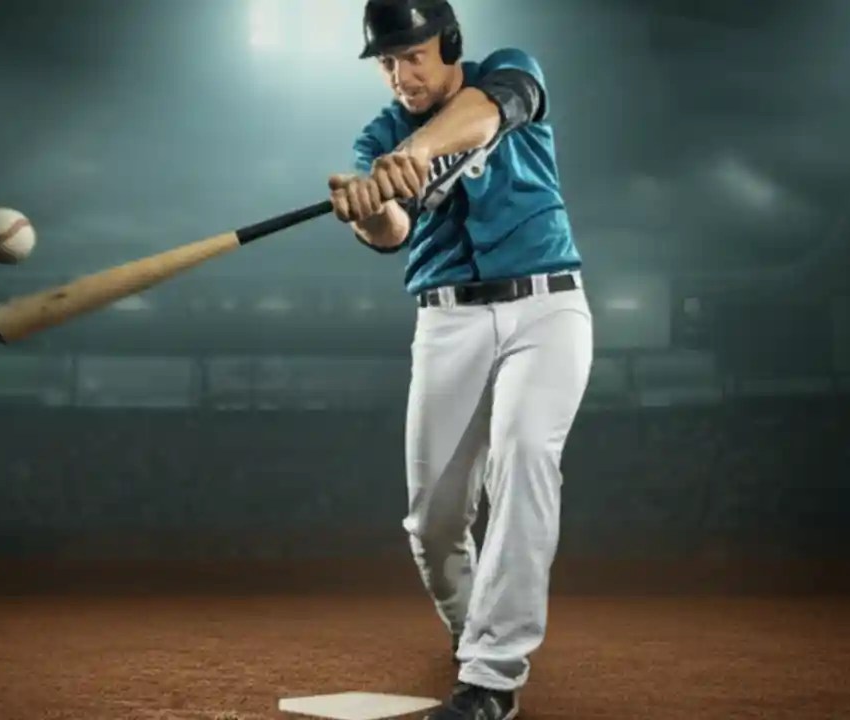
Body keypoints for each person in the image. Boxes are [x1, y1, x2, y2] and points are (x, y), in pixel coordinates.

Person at [327, 1, 593, 718]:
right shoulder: (379, 135)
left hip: (547, 306)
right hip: (447, 321)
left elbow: (488, 113)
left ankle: (491, 680)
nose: (399, 74)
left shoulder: (508, 70)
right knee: (435, 521)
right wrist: (367, 206)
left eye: (412, 54)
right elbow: (390, 234)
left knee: (524, 454)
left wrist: (415, 158)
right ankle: (473, 632)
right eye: (386, 61)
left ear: (447, 42)